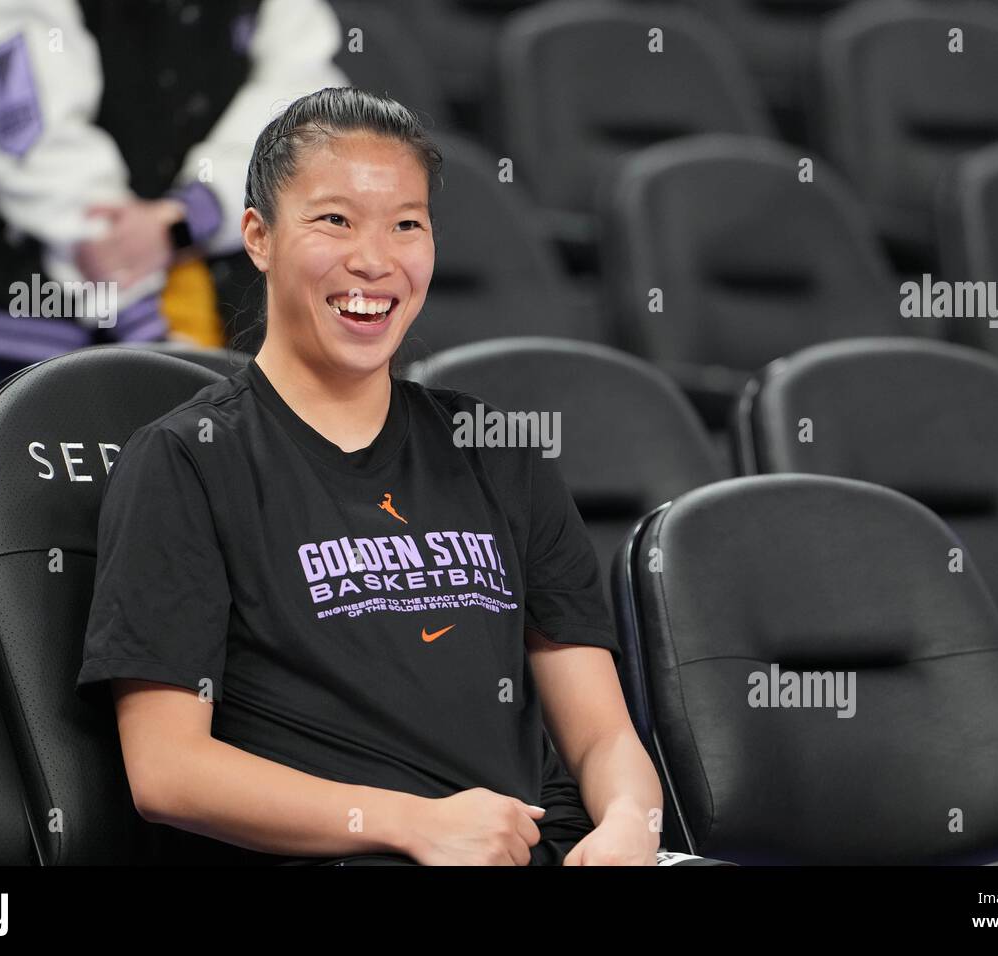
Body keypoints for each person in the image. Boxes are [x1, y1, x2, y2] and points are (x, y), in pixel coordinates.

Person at [76, 87, 730, 866]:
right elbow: (167, 773)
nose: (375, 261)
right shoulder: (185, 461)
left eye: (406, 225)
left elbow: (602, 737)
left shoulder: (495, 450)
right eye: (334, 220)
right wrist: (408, 824)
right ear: (258, 236)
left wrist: (629, 824)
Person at [0, 0, 349, 384]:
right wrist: (146, 322)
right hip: (60, 305)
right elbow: (36, 147)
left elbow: (303, 91)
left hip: (235, 288)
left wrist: (199, 211)